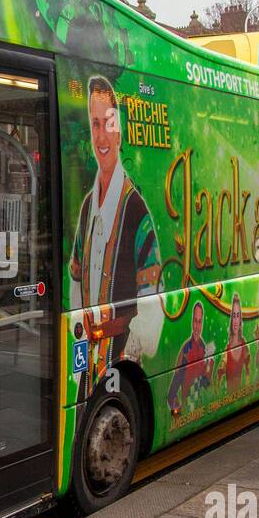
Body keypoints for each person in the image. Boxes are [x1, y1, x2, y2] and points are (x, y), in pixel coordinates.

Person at [69, 75, 161, 400]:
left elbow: (153, 313)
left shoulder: (138, 214)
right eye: (95, 124)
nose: (101, 136)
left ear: (120, 131)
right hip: (88, 364)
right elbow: (76, 278)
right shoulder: (86, 210)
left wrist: (128, 352)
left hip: (121, 363)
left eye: (108, 123)